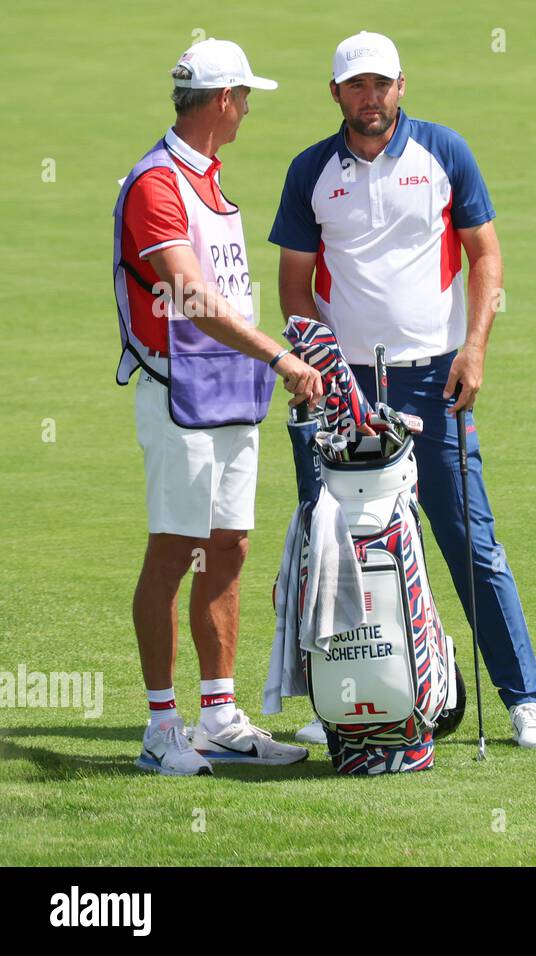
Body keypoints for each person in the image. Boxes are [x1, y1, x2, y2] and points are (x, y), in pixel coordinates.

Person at [269, 32, 536, 750]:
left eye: (382, 84)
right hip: (346, 385)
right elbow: (294, 286)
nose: (371, 98)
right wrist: (319, 369)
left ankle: (525, 700)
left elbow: (485, 254)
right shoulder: (311, 170)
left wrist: (476, 348)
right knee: (340, 542)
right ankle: (346, 696)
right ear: (335, 93)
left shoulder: (443, 152)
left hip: (435, 375)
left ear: (402, 85)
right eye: (356, 86)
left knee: (468, 537)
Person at [112, 39, 324, 775]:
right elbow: (190, 295)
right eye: (246, 97)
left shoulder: (205, 180)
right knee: (173, 551)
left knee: (228, 547)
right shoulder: (156, 184)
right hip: (179, 392)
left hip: (230, 393)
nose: (248, 108)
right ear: (225, 99)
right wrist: (279, 353)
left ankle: (219, 715)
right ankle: (160, 728)